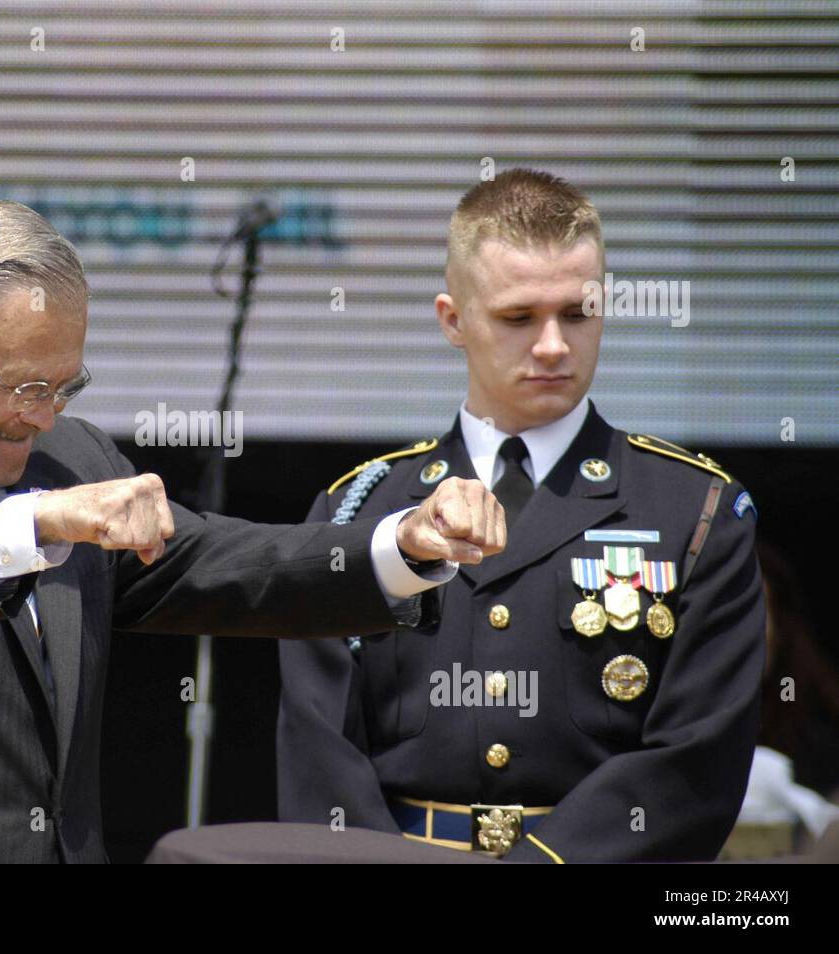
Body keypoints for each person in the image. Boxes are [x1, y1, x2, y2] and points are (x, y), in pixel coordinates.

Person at [0, 200, 505, 863]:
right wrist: (35, 519)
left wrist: (400, 546)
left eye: (66, 385)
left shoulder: (69, 458)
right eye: (24, 385)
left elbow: (219, 561)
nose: (46, 414)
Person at [277, 169, 766, 863]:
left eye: (578, 312)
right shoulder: (360, 509)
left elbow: (697, 760)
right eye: (518, 317)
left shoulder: (695, 510)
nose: (553, 346)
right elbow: (318, 750)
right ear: (453, 320)